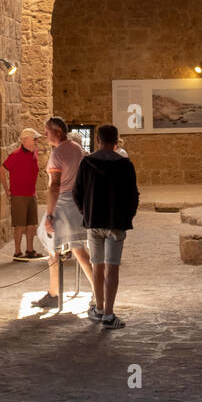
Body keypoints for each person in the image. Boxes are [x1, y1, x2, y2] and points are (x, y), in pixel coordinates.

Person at [73, 123, 140, 330]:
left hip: (94, 221)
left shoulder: (87, 164)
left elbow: (77, 193)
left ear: (98, 141)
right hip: (116, 222)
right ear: (115, 140)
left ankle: (99, 308)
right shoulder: (125, 165)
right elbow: (133, 195)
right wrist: (127, 215)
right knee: (112, 267)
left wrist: (86, 212)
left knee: (97, 265)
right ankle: (109, 314)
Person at [33, 117, 94, 311]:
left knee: (53, 250)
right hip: (76, 205)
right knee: (79, 250)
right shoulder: (76, 148)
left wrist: (49, 215)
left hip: (62, 207)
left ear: (58, 131)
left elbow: (55, 186)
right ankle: (97, 291)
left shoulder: (57, 153)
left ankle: (54, 293)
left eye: (47, 131)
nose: (44, 134)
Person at [2, 127, 42, 260]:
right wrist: (7, 189)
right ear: (25, 140)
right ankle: (17, 253)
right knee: (19, 225)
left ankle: (30, 251)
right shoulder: (15, 155)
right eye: (34, 139)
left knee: (31, 225)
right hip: (18, 196)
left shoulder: (35, 153)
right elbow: (1, 170)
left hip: (31, 195)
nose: (36, 141)